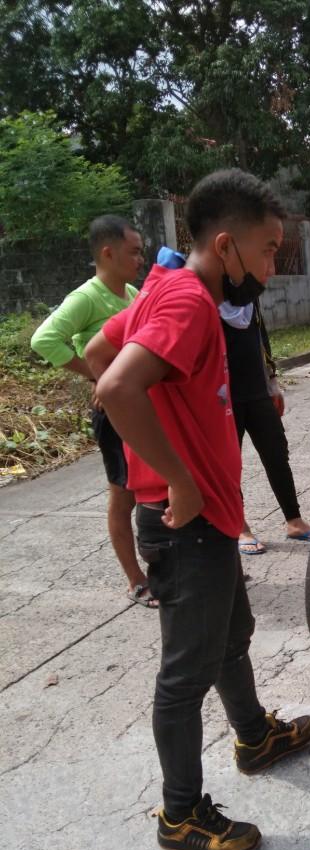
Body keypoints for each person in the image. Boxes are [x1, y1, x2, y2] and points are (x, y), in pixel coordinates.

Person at [87, 170, 310, 850]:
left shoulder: (167, 290)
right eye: (271, 251)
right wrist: (177, 480)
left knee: (231, 635)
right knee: (185, 675)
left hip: (208, 520)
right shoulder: (188, 302)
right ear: (226, 245)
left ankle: (254, 735)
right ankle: (181, 815)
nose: (275, 268)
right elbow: (115, 381)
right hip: (184, 525)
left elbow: (103, 350)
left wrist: (166, 445)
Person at [30, 215, 155, 606]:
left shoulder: (132, 294)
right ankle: (136, 580)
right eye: (134, 252)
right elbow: (44, 339)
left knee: (154, 487)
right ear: (108, 252)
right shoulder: (87, 296)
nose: (140, 259)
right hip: (114, 412)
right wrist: (98, 378)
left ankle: (169, 567)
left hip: (142, 407)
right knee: (123, 495)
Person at [219, 300, 310, 552]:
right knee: (230, 464)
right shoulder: (207, 293)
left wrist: (272, 381)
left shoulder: (247, 296)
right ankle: (240, 527)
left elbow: (261, 337)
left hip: (257, 389)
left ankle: (294, 521)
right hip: (224, 396)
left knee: (276, 454)